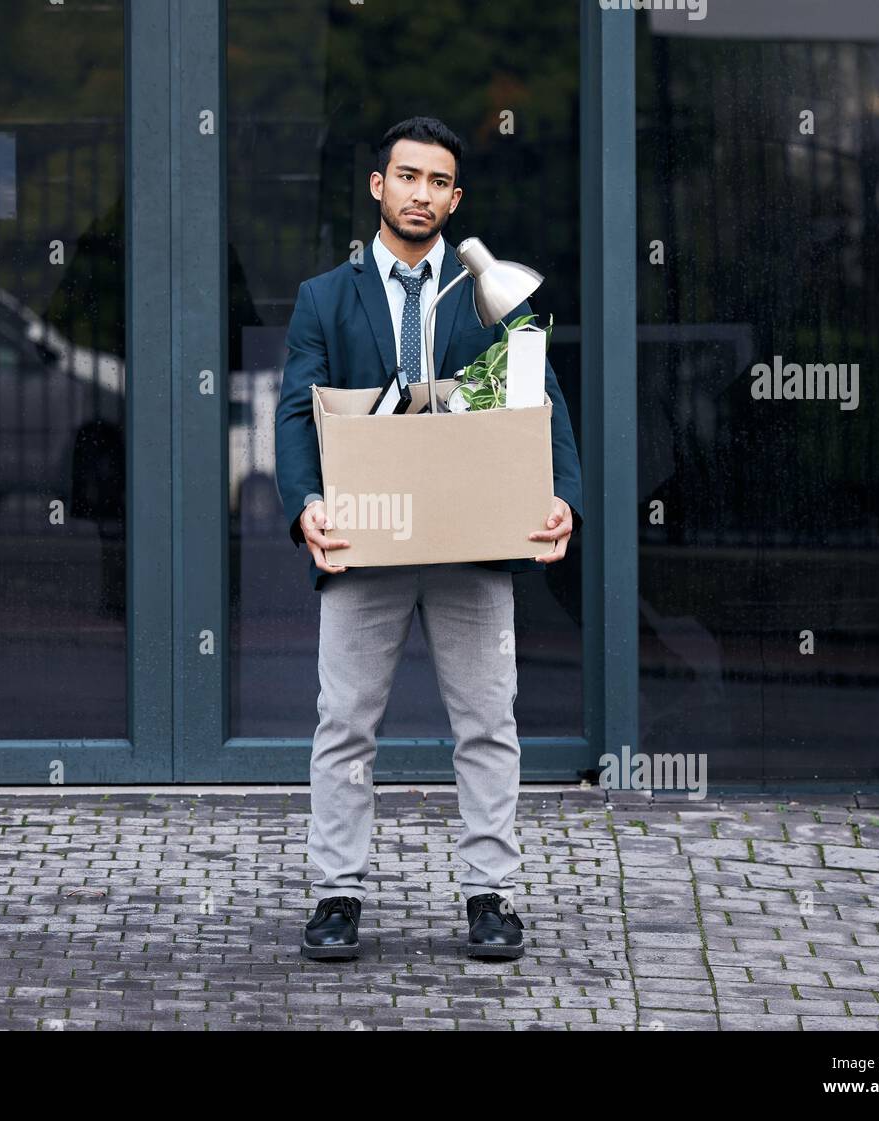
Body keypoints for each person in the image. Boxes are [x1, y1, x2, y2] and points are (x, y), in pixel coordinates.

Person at [273, 116, 584, 960]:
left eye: (439, 181)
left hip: (472, 539)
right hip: (366, 538)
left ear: (456, 198)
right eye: (407, 177)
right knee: (344, 724)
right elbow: (298, 412)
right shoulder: (324, 298)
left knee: (488, 723)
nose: (422, 193)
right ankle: (337, 895)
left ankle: (492, 894)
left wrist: (563, 499)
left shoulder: (489, 289)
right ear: (379, 187)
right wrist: (304, 502)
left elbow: (538, 394)